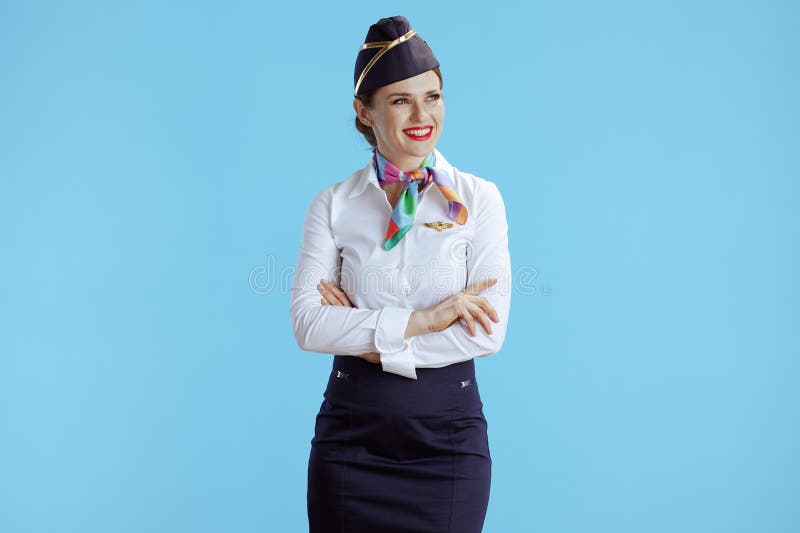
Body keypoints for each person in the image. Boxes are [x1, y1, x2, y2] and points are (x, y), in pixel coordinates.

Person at [289, 15, 512, 533]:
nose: (422, 115)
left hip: (449, 443)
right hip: (351, 440)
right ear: (363, 112)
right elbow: (307, 324)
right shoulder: (332, 205)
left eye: (432, 97)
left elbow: (488, 329)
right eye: (400, 100)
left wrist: (365, 335)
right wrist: (428, 319)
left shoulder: (480, 200)